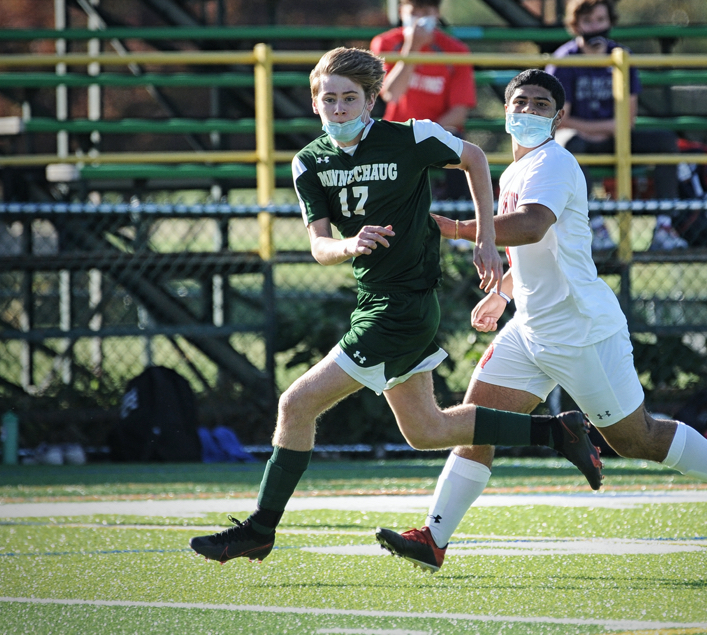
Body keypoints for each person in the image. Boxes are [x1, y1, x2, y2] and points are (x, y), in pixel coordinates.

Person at [189, 48, 603, 565]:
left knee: (295, 405)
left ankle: (260, 528)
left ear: (370, 101)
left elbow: (473, 156)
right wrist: (350, 244)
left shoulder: (409, 137)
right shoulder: (309, 162)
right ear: (314, 102)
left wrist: (488, 240)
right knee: (426, 429)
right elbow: (320, 246)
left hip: (403, 306)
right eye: (328, 99)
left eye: (349, 98)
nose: (338, 109)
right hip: (373, 300)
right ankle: (556, 432)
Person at [375, 69, 707, 573]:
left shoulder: (554, 162)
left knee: (635, 439)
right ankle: (433, 539)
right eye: (521, 102)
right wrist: (503, 294)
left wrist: (456, 228)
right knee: (477, 422)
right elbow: (533, 251)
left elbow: (533, 224)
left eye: (542, 104)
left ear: (558, 117)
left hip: (581, 329)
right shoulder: (514, 171)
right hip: (532, 327)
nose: (529, 111)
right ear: (505, 111)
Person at [546, 0, 688, 252]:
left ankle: (665, 226)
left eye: (601, 19)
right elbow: (559, 121)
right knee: (568, 145)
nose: (596, 27)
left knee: (667, 141)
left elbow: (628, 119)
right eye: (588, 21)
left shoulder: (621, 56)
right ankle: (593, 225)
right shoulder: (563, 61)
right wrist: (598, 129)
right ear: (575, 25)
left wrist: (606, 129)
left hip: (614, 137)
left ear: (610, 20)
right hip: (581, 140)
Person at [370, 0, 477, 200]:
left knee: (462, 152)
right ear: (402, 12)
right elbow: (391, 94)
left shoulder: (455, 51)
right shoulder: (385, 43)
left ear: (437, 13)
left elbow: (459, 112)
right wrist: (412, 48)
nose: (419, 19)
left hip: (440, 131)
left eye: (425, 11)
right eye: (413, 11)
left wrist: (425, 135)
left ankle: (458, 227)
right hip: (397, 132)